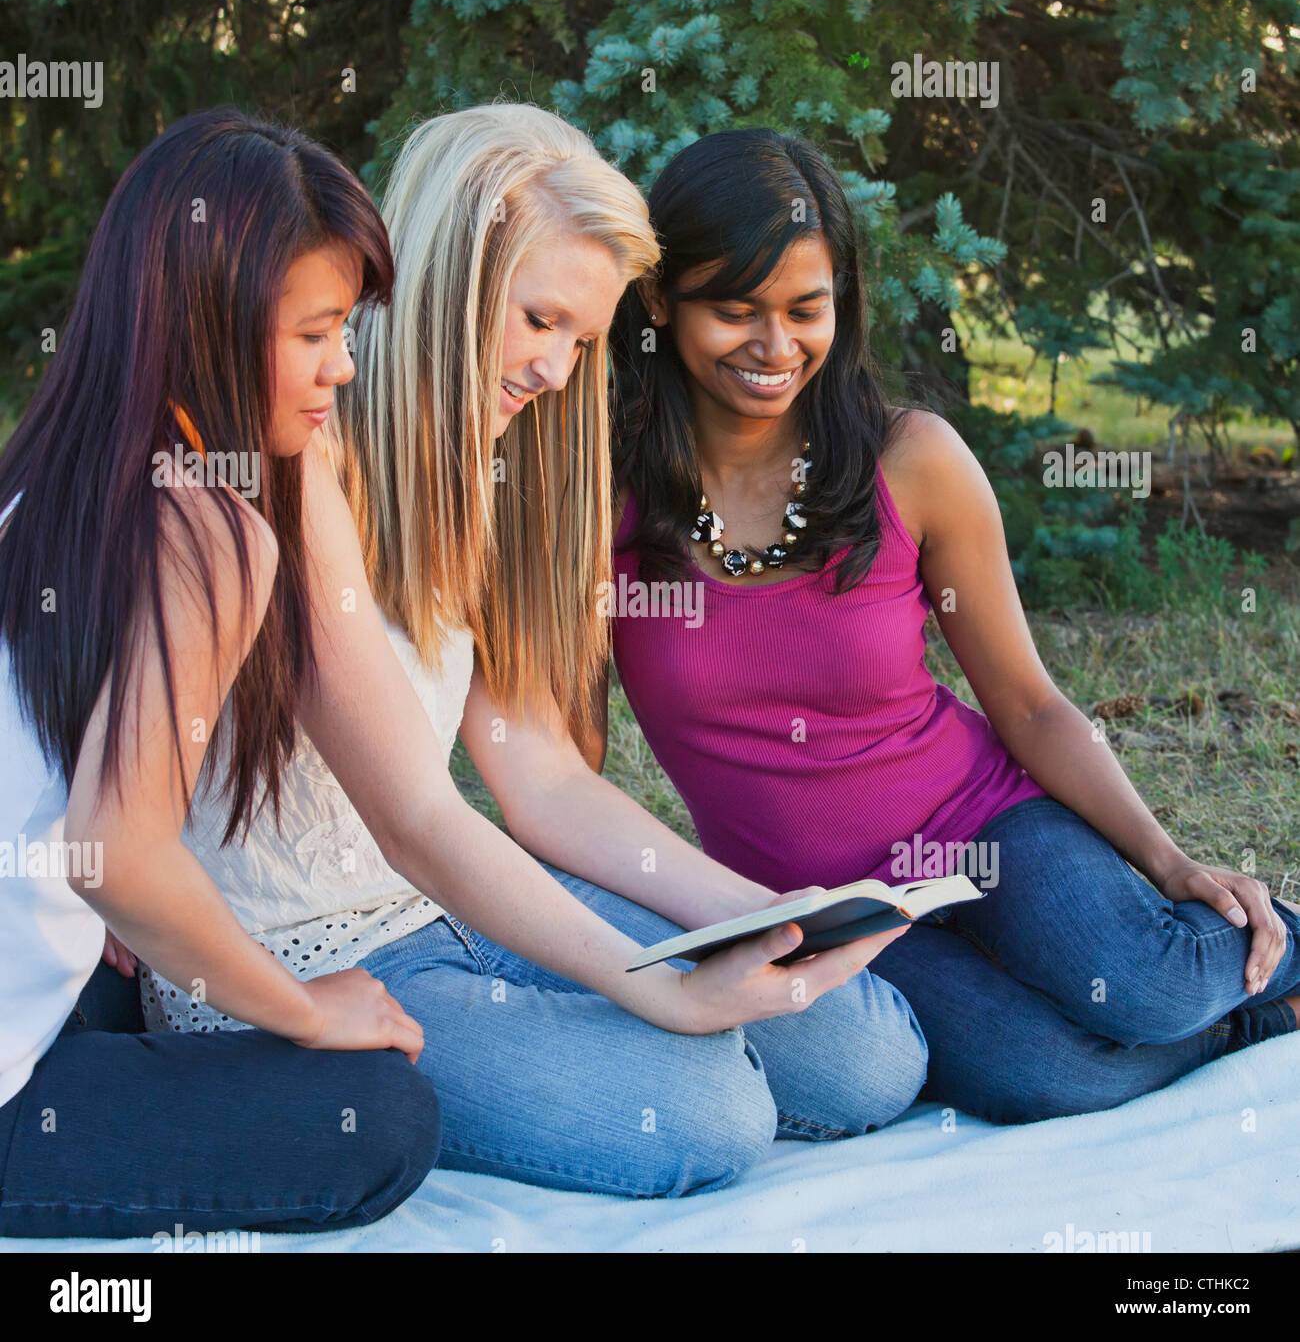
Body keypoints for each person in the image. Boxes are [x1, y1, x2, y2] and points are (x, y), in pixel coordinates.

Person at [120, 103, 929, 1199]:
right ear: (447, 284)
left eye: (581, 341)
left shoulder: (492, 465)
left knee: (867, 1050)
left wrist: (750, 912)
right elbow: (414, 813)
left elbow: (540, 778)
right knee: (710, 1112)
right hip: (301, 950)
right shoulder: (296, 450)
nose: (555, 369)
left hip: (444, 900)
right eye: (539, 319)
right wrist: (657, 990)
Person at [601, 126, 1300, 1124]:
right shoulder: (606, 501)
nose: (774, 346)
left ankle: (1279, 952)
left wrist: (1170, 861)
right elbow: (561, 760)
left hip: (980, 825)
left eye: (805, 309)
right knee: (1041, 1073)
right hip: (818, 910)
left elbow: (1028, 702)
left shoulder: (911, 460)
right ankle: (1256, 1026)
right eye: (734, 309)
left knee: (1149, 986)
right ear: (662, 302)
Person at [0, 108, 443, 1239]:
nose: (343, 366)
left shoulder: (42, 478)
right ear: (209, 316)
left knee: (126, 976)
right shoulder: (208, 525)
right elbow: (118, 852)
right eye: (317, 332)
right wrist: (303, 1008)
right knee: (374, 1116)